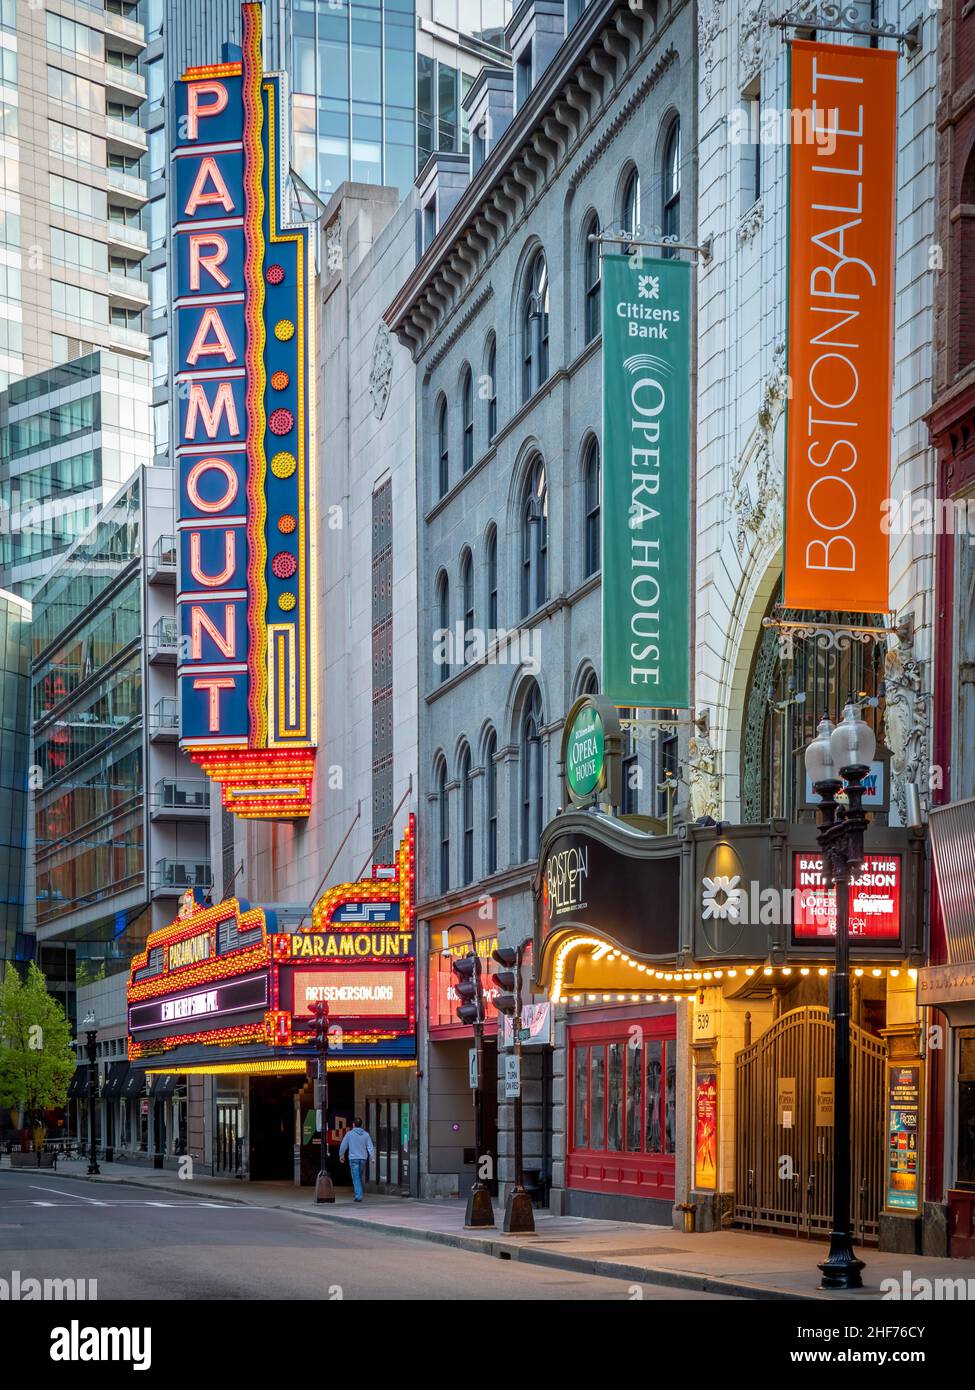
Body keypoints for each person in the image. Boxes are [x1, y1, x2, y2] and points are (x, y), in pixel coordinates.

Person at [338, 1117, 375, 1201]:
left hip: (353, 1158)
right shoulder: (366, 1134)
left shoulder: (349, 1134)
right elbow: (370, 1147)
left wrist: (341, 1155)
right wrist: (372, 1157)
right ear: (361, 1125)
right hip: (363, 1159)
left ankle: (358, 1196)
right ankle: (359, 1193)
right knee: (359, 1176)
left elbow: (343, 1146)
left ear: (353, 1125)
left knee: (356, 1177)